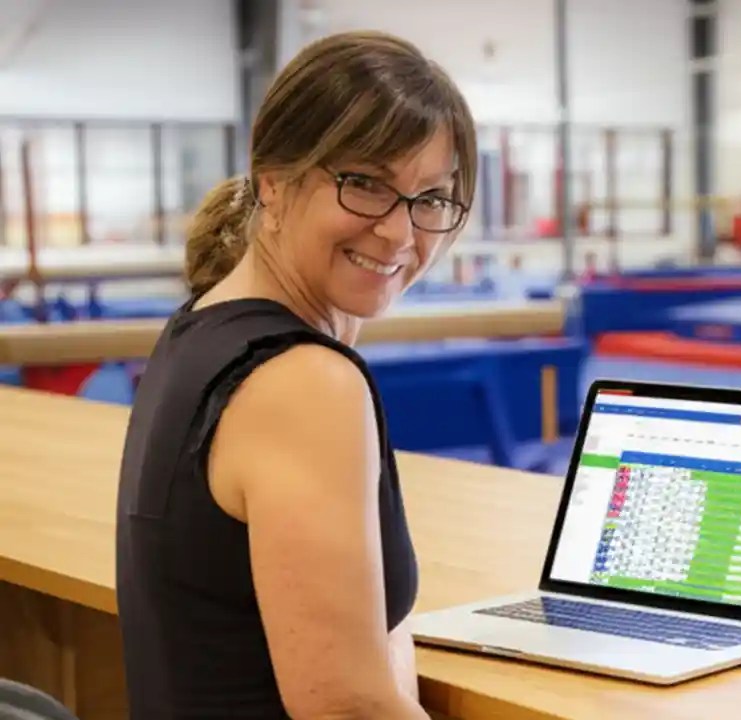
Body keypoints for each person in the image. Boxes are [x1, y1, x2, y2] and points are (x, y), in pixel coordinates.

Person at [115, 30, 475, 719]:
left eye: (431, 197)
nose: (401, 233)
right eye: (364, 184)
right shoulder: (305, 382)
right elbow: (345, 707)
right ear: (274, 181)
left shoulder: (201, 328)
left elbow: (364, 655)